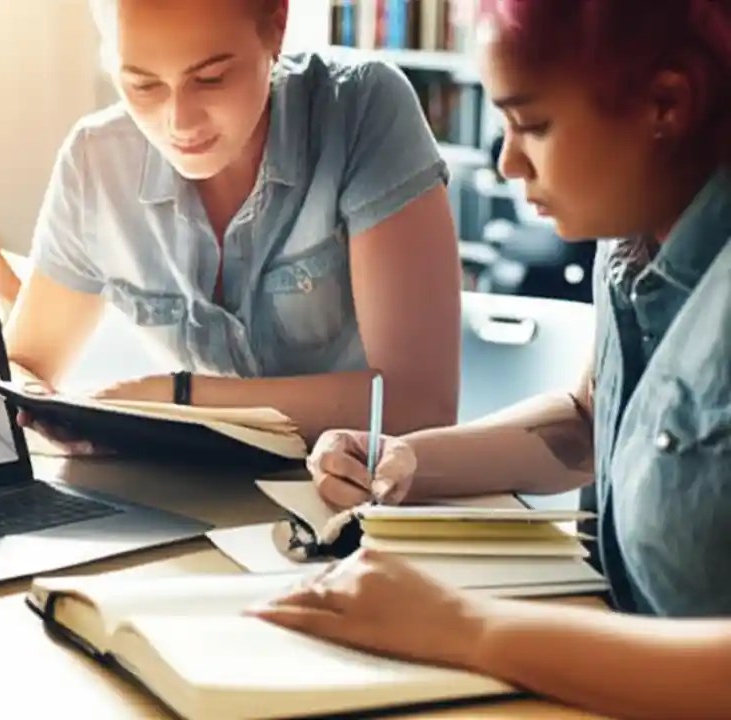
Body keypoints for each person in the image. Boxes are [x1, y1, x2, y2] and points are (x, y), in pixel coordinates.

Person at [252, 1, 731, 717]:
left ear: (668, 102)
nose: (506, 162)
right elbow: (589, 422)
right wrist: (407, 458)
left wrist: (464, 629)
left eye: (532, 125)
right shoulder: (634, 230)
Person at [3, 0, 463, 450]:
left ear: (277, 26)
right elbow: (23, 365)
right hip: (184, 497)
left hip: (351, 500)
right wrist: (54, 412)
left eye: (211, 78)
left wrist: (176, 397)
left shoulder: (362, 108)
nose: (179, 122)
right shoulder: (96, 162)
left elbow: (418, 404)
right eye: (143, 86)